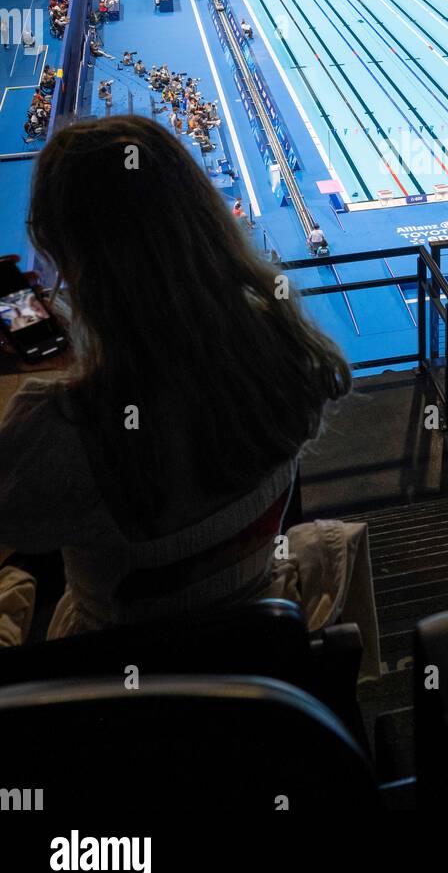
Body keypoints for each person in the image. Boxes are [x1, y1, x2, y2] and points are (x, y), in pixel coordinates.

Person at [0, 117, 363, 649]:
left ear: (73, 259)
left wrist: (22, 380)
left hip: (114, 694)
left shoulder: (59, 429)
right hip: (267, 654)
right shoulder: (287, 355)